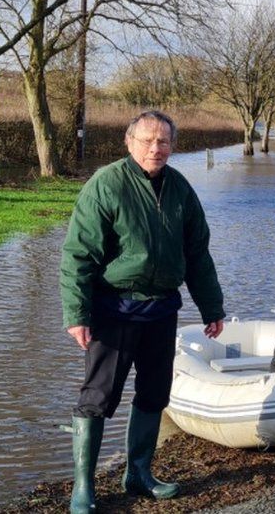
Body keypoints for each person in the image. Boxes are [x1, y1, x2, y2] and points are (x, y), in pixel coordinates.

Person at [60, 110, 226, 513]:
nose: (156, 148)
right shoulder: (106, 184)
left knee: (154, 393)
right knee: (98, 397)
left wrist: (212, 307)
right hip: (112, 309)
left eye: (164, 141)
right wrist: (77, 313)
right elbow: (78, 254)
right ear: (129, 141)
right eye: (148, 140)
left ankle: (138, 473)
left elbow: (197, 253)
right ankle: (83, 488)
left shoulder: (181, 189)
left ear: (173, 145)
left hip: (161, 310)